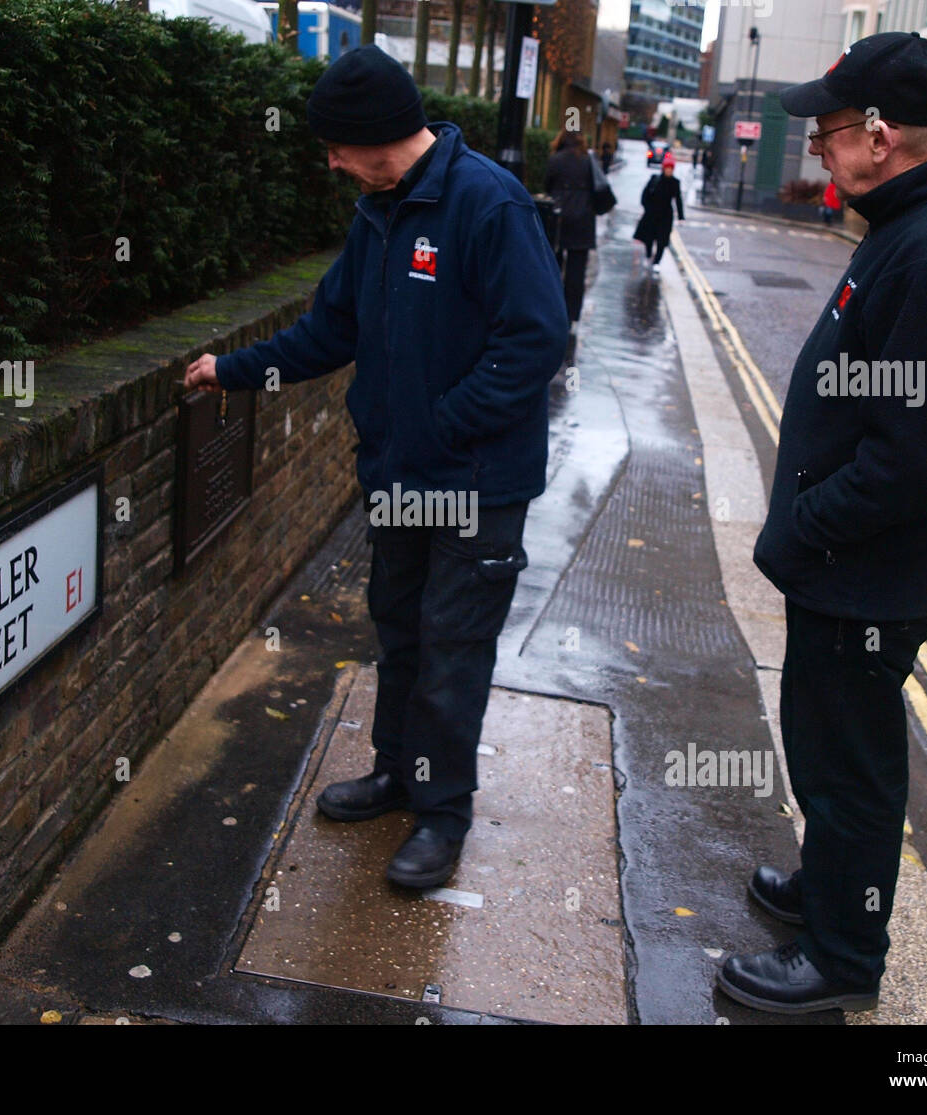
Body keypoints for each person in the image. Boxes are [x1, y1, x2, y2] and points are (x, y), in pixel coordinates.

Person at [182, 45, 568, 889]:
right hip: (399, 481)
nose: (328, 163)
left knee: (451, 649)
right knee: (398, 634)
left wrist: (443, 424)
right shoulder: (379, 215)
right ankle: (399, 773)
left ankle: (442, 813)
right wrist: (234, 370)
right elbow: (330, 330)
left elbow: (537, 339)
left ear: (375, 136)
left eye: (335, 146)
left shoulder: (488, 206)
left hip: (473, 487)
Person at [717, 30, 927, 1014]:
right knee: (828, 749)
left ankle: (843, 956)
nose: (814, 144)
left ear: (882, 133)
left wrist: (797, 531)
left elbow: (908, 458)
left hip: (866, 569)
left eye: (830, 128)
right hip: (857, 564)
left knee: (849, 768)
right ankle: (830, 890)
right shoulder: (915, 220)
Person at [543, 130, 597, 353]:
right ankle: (572, 317)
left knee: (554, 267)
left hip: (560, 217)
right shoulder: (587, 161)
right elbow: (596, 188)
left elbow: (547, 185)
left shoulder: (555, 160)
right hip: (583, 220)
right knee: (576, 272)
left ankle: (553, 312)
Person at [633, 151, 684, 270]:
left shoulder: (675, 183)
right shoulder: (655, 179)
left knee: (662, 241)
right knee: (649, 238)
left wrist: (681, 217)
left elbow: (678, 200)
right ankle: (648, 255)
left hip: (666, 216)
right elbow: (645, 195)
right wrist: (646, 208)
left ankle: (657, 262)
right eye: (667, 168)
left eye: (671, 169)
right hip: (652, 213)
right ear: (663, 168)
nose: (669, 171)